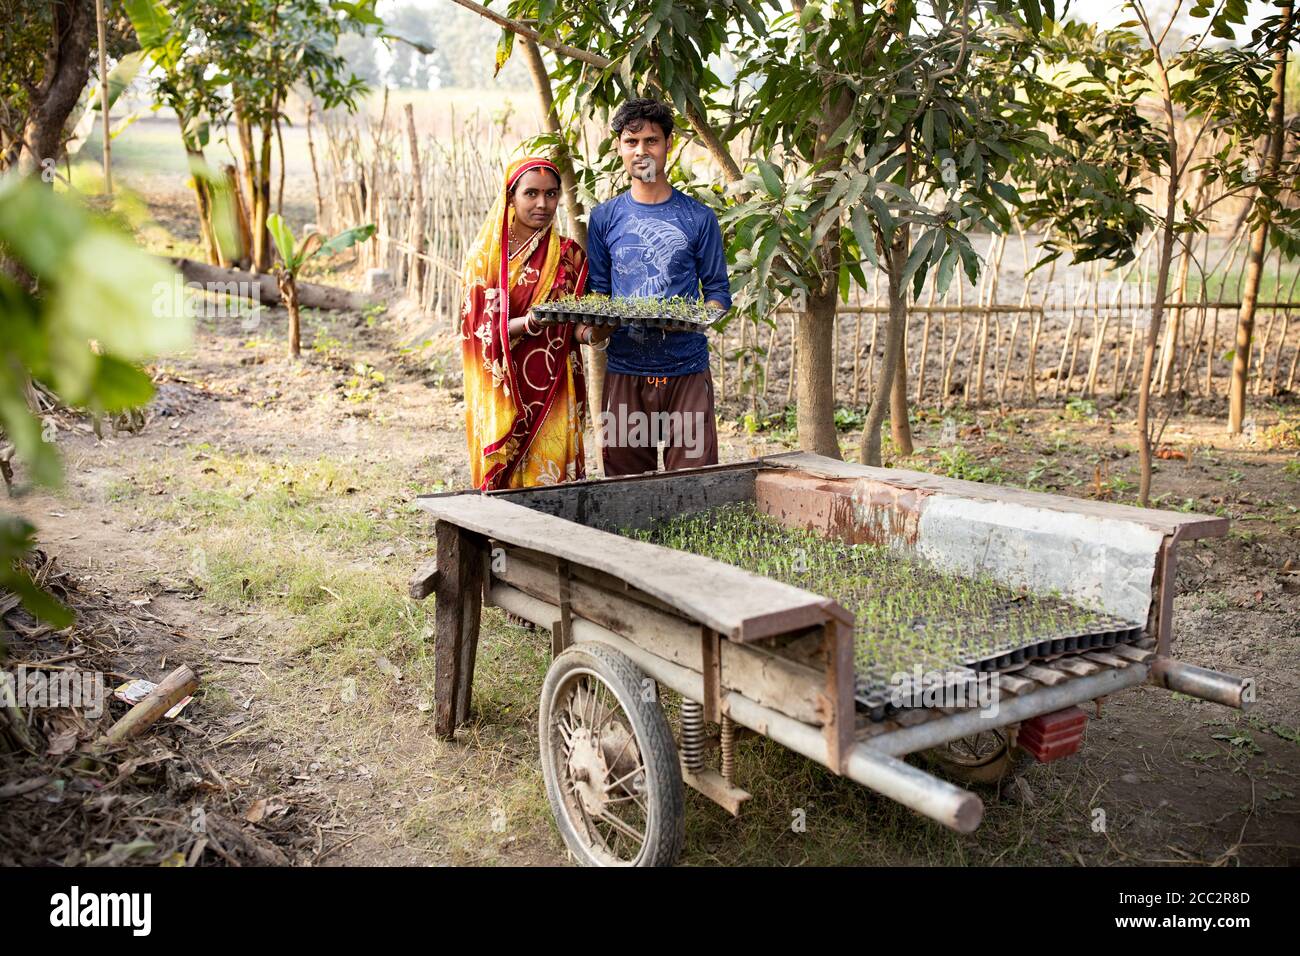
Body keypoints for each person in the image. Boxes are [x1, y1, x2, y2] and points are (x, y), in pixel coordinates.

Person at [586, 98, 732, 476]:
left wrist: (693, 319)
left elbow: (717, 292)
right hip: (624, 368)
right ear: (618, 147)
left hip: (686, 368)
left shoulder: (699, 218)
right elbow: (600, 290)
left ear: (670, 144)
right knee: (625, 481)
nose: (641, 151)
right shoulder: (604, 218)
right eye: (631, 142)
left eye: (651, 140)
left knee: (694, 482)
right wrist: (599, 328)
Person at [460, 156, 611, 490]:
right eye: (531, 194)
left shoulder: (569, 254)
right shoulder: (485, 259)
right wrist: (529, 324)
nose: (543, 204)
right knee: (504, 486)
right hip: (502, 386)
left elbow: (572, 325)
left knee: (551, 480)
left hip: (556, 386)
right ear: (510, 197)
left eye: (551, 194)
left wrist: (596, 332)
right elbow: (477, 332)